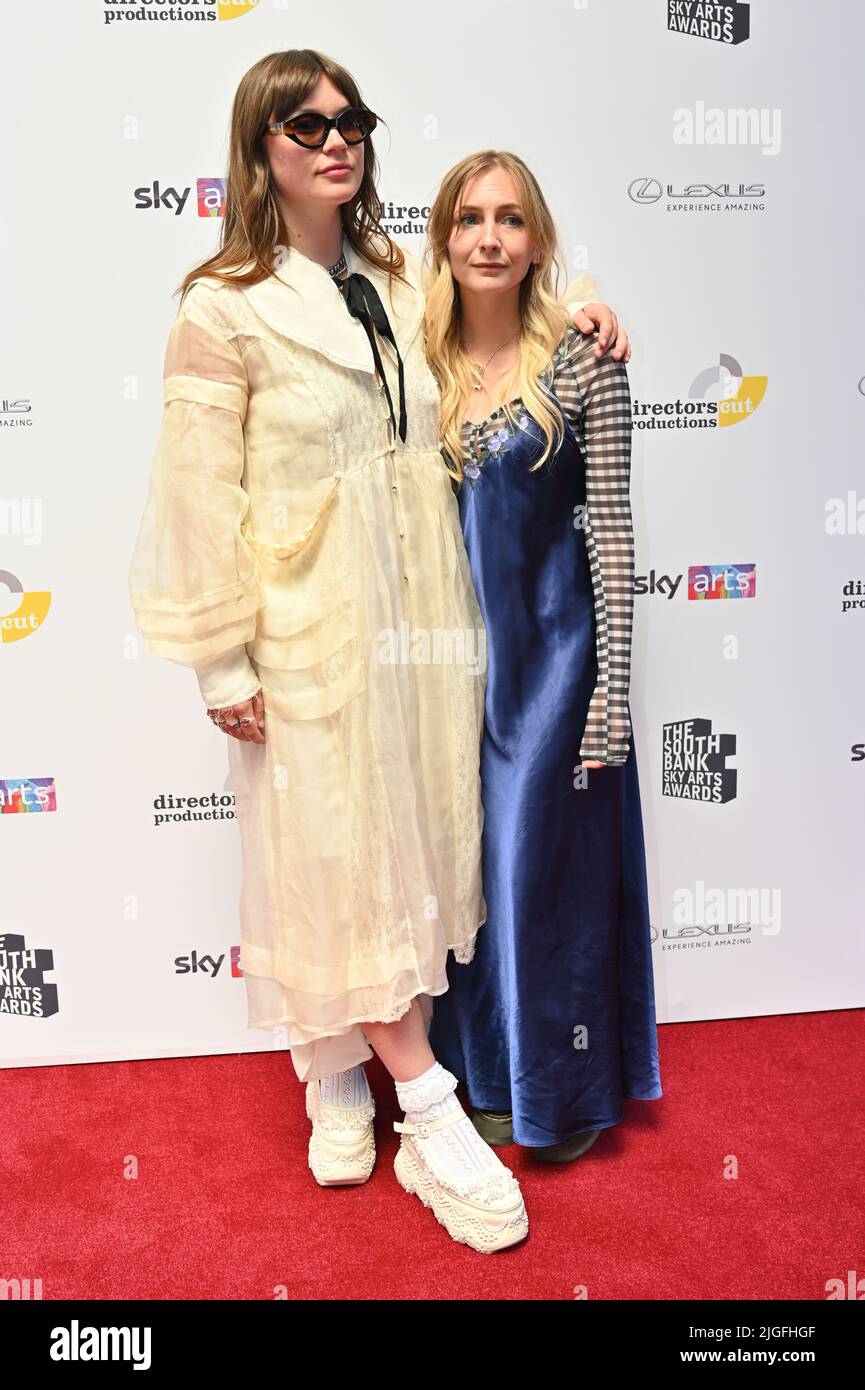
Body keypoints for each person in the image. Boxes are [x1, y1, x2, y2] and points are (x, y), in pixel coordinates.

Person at [127, 49, 631, 1253]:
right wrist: (220, 661)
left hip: (422, 624)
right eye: (306, 125)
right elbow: (198, 492)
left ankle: (335, 1061)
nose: (335, 141)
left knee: (395, 846)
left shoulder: (397, 276)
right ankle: (418, 1104)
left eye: (351, 121)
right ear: (262, 149)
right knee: (330, 849)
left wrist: (594, 302)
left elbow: (495, 314)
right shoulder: (218, 307)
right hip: (303, 622)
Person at [423, 151, 662, 1161]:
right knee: (469, 879)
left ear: (537, 243)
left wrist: (609, 688)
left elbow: (611, 527)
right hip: (448, 674)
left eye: (510, 220)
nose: (488, 237)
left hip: (556, 670)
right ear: (441, 237)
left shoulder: (578, 360)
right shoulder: (417, 362)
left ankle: (557, 1093)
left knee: (539, 880)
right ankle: (482, 1074)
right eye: (469, 218)